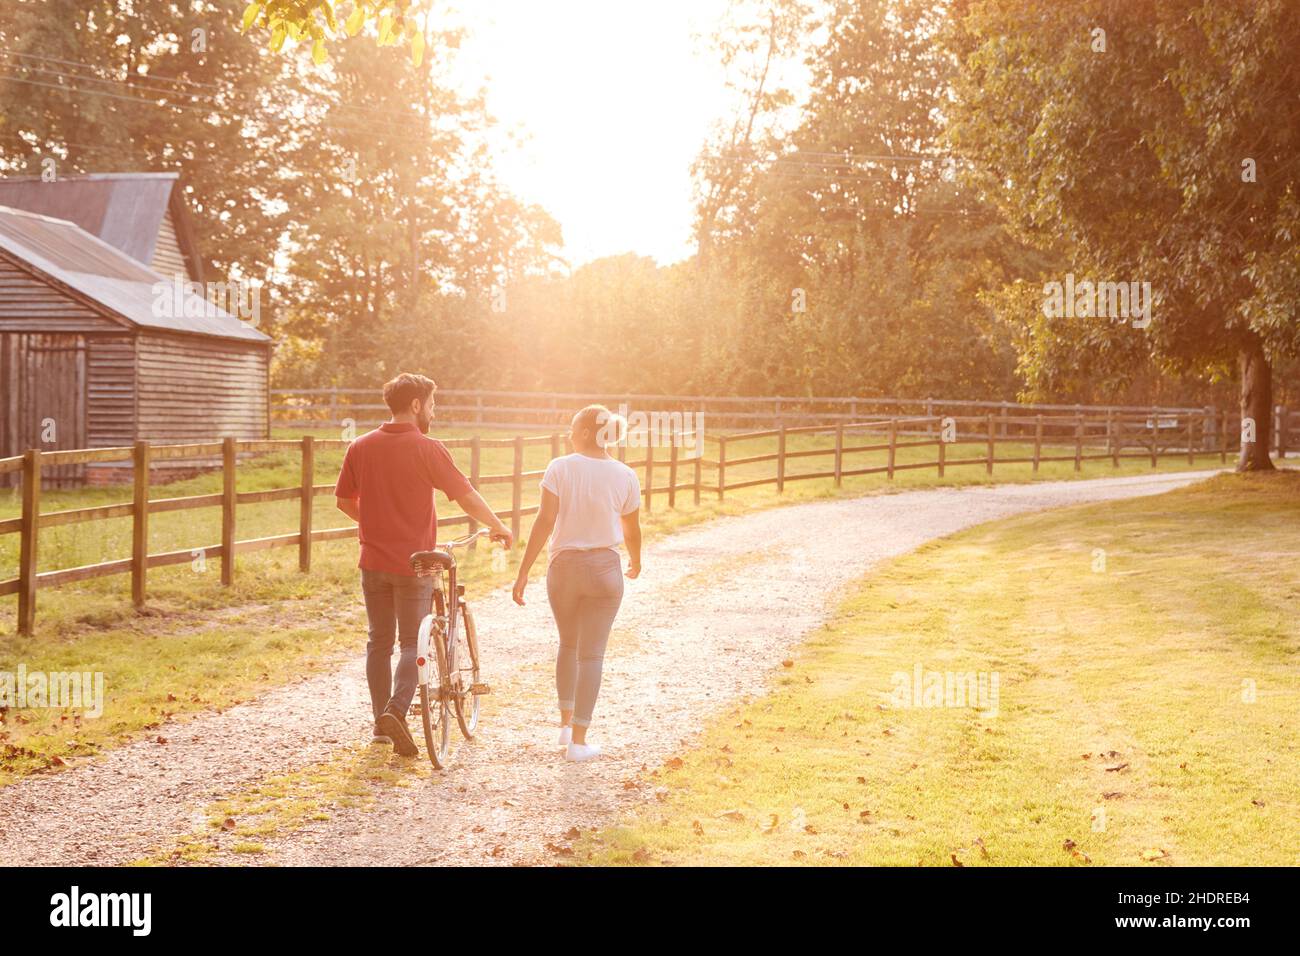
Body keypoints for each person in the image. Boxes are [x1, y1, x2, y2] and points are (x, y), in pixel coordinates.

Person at [334, 373, 512, 757]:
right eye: (432, 403)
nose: (435, 410)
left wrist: (373, 523)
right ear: (416, 405)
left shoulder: (360, 447)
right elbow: (466, 497)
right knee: (411, 642)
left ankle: (380, 725)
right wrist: (497, 526)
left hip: (373, 562)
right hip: (415, 565)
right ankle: (397, 710)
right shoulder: (427, 448)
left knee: (378, 642)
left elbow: (345, 501)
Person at [512, 404, 642, 762]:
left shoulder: (560, 468)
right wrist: (637, 559)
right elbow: (632, 529)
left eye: (572, 428)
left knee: (568, 645)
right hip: (604, 569)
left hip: (564, 568)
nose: (569, 434)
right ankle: (579, 742)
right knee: (592, 654)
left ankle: (565, 725)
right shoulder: (625, 475)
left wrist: (524, 571)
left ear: (586, 432)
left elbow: (544, 521)